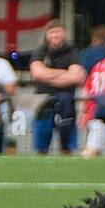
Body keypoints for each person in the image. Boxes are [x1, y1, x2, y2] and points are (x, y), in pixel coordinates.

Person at [29, 20, 85, 154]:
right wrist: (64, 73)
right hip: (43, 103)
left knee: (67, 146)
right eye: (52, 32)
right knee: (41, 146)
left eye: (58, 31)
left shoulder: (72, 51)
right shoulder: (39, 51)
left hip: (67, 103)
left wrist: (47, 75)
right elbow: (37, 74)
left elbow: (76, 77)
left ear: (64, 33)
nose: (55, 35)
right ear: (47, 35)